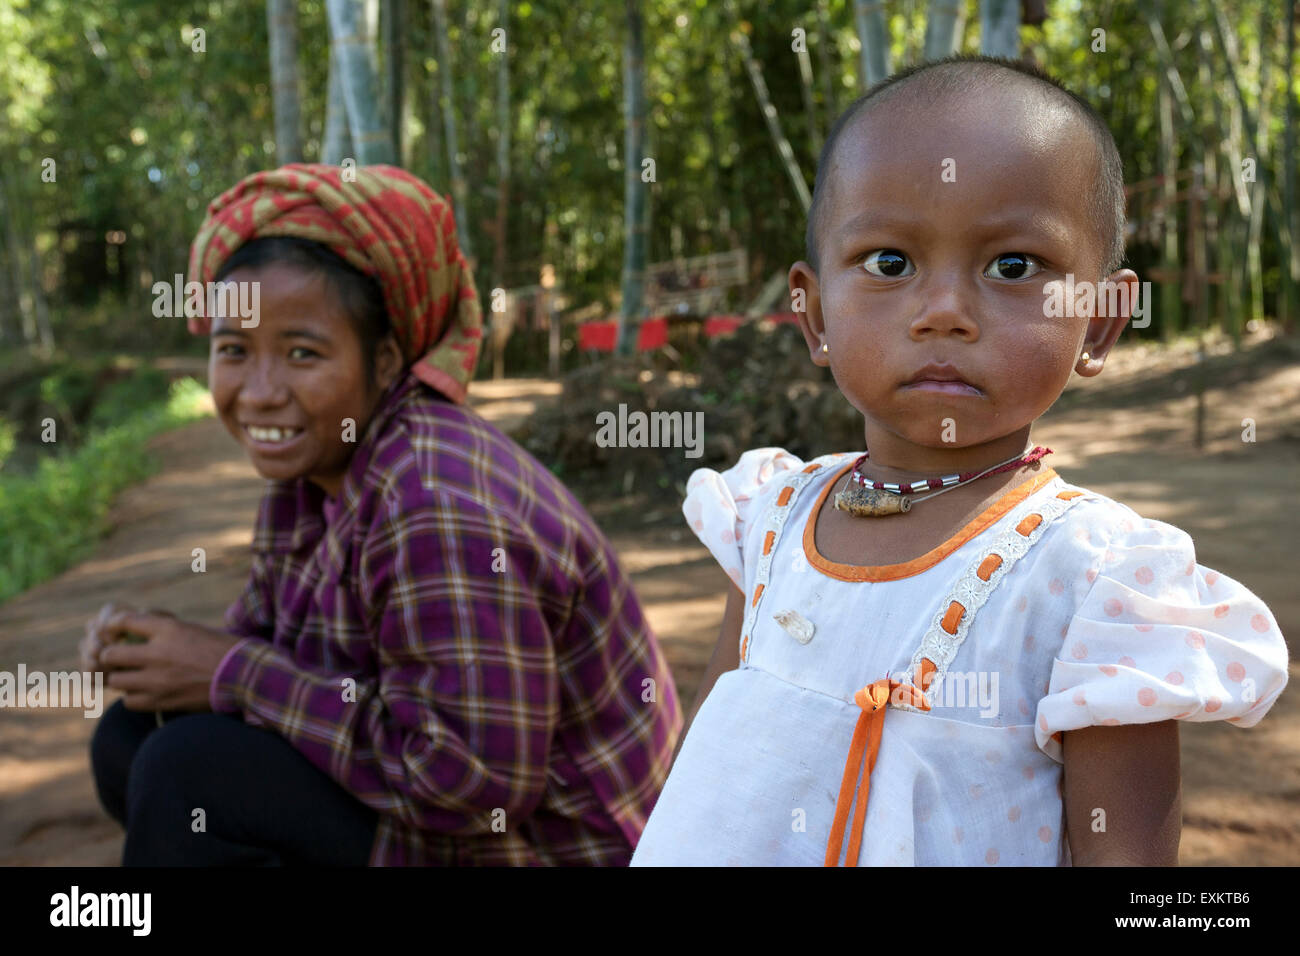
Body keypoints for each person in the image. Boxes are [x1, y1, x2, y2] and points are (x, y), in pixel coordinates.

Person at [630, 55, 1289, 867]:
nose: (943, 311)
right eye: (889, 263)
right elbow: (707, 779)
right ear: (815, 312)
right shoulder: (766, 523)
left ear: (1098, 322)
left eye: (1013, 267)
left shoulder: (1098, 586)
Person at [83, 163, 681, 866]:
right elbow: (270, 642)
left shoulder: (433, 503)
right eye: (234, 351)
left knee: (185, 775)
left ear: (387, 358)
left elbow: (473, 786)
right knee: (132, 738)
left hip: (548, 846)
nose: (261, 392)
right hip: (445, 808)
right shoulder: (311, 474)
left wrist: (231, 670)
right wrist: (161, 650)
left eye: (302, 353)